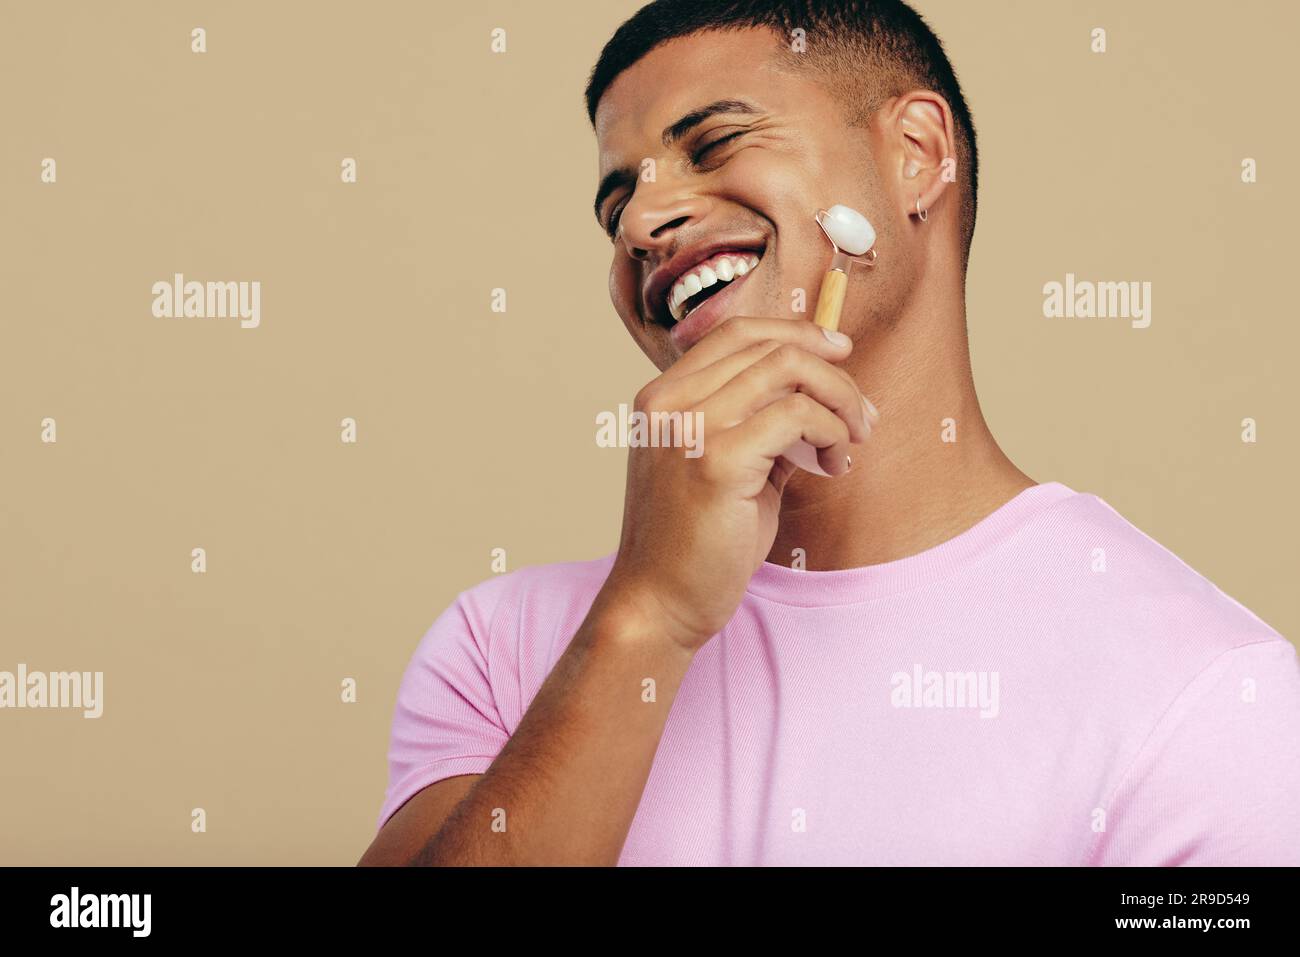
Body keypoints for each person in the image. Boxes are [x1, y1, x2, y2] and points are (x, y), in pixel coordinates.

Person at [358, 0, 1300, 866]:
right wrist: (647, 616)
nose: (641, 221)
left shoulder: (1213, 697)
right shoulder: (500, 649)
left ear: (918, 156)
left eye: (716, 140)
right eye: (615, 209)